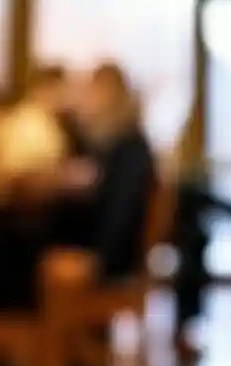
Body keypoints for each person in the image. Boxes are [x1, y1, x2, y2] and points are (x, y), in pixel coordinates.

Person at [70, 63, 157, 282]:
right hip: (106, 248)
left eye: (92, 91)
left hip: (111, 256)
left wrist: (99, 260)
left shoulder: (129, 146)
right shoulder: (112, 143)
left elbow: (121, 213)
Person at [0, 65, 71, 175]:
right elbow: (15, 168)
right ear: (40, 89)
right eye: (57, 90)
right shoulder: (26, 122)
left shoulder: (48, 119)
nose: (62, 97)